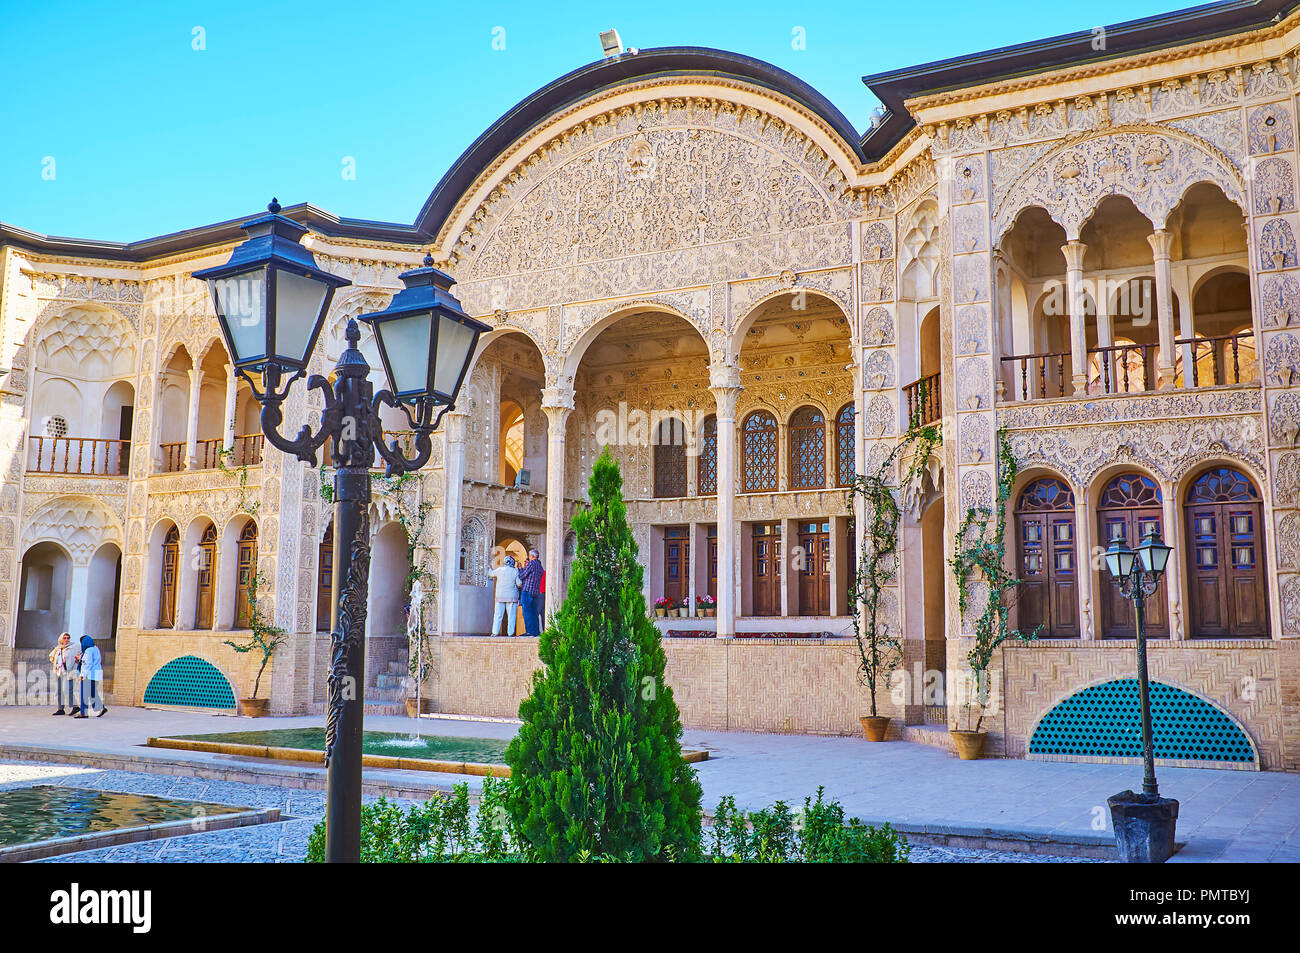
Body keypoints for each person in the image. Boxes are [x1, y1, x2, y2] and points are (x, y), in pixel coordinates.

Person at [74, 635, 106, 718]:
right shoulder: (96, 648)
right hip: (96, 674)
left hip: (89, 675)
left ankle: (83, 713)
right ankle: (100, 707)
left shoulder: (88, 650)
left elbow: (87, 664)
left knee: (84, 694)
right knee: (92, 692)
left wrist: (82, 675)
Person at [488, 555, 520, 637]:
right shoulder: (515, 571)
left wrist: (490, 568)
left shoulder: (499, 570)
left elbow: (491, 574)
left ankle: (495, 632)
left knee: (498, 615)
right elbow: (519, 583)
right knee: (511, 616)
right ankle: (510, 633)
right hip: (512, 596)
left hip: (500, 596)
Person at [517, 549, 544, 638]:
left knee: (527, 612)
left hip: (527, 590)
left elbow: (522, 575)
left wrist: (520, 568)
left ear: (532, 556)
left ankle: (529, 631)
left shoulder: (531, 564)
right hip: (535, 592)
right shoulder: (540, 566)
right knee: (534, 612)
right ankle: (536, 631)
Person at [49, 632, 76, 716]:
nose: (66, 639)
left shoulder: (72, 648)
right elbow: (51, 656)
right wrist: (56, 663)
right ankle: (60, 709)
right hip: (59, 671)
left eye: (68, 638)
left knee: (67, 690)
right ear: (61, 639)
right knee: (59, 690)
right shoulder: (58, 648)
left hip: (68, 672)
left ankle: (75, 706)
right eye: (64, 638)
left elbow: (76, 659)